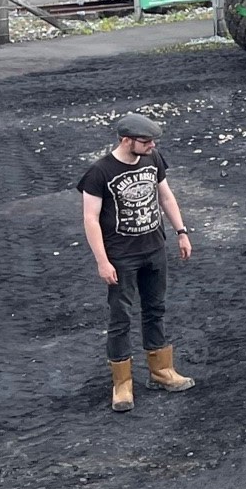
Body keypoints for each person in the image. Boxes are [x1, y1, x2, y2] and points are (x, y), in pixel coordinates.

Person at [80, 112, 196, 413]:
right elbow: (90, 219)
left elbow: (166, 197)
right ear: (126, 140)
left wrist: (181, 232)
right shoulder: (99, 173)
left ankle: (161, 372)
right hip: (121, 257)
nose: (152, 145)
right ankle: (122, 384)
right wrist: (102, 262)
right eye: (145, 141)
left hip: (154, 249)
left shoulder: (153, 158)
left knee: (156, 308)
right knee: (120, 317)